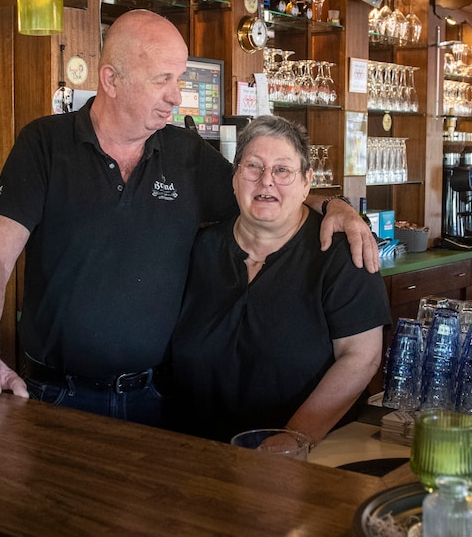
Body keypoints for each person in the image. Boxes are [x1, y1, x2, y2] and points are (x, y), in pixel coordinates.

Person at [0, 10, 379, 426]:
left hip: (157, 400)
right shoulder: (44, 144)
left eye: (180, 80)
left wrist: (334, 204)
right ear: (111, 80)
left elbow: (261, 192)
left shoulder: (185, 154)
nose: (176, 96)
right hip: (54, 394)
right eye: (163, 80)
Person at [167, 115, 391, 446]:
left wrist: (294, 438)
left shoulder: (341, 253)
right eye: (253, 167)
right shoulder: (201, 248)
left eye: (282, 170)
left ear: (306, 182)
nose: (266, 181)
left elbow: (361, 357)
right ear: (234, 178)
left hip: (305, 460)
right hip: (195, 454)